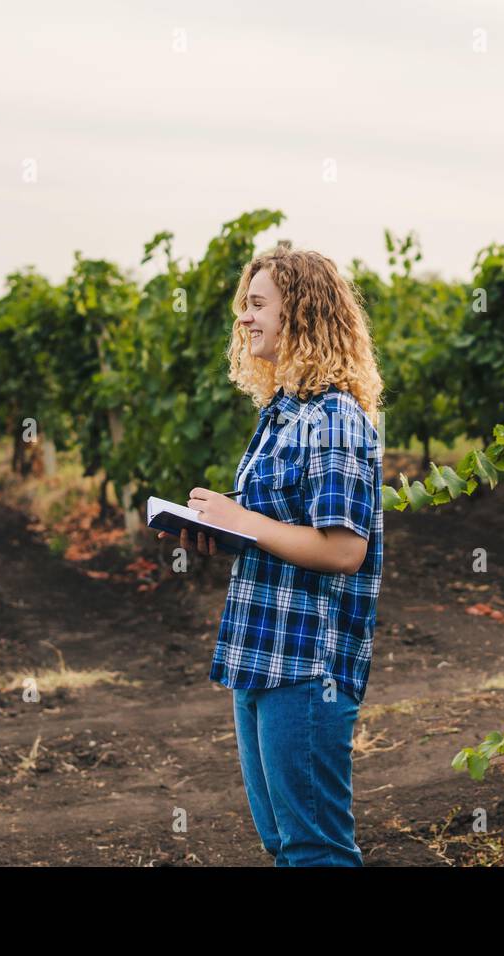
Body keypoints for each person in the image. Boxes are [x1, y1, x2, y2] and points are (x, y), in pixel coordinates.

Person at [158, 244, 384, 866]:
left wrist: (244, 521)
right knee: (283, 845)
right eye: (244, 305)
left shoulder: (335, 416)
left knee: (316, 851)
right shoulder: (283, 412)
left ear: (302, 312)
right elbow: (277, 523)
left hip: (307, 660)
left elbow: (343, 549)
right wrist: (218, 524)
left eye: (257, 305)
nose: (244, 318)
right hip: (259, 648)